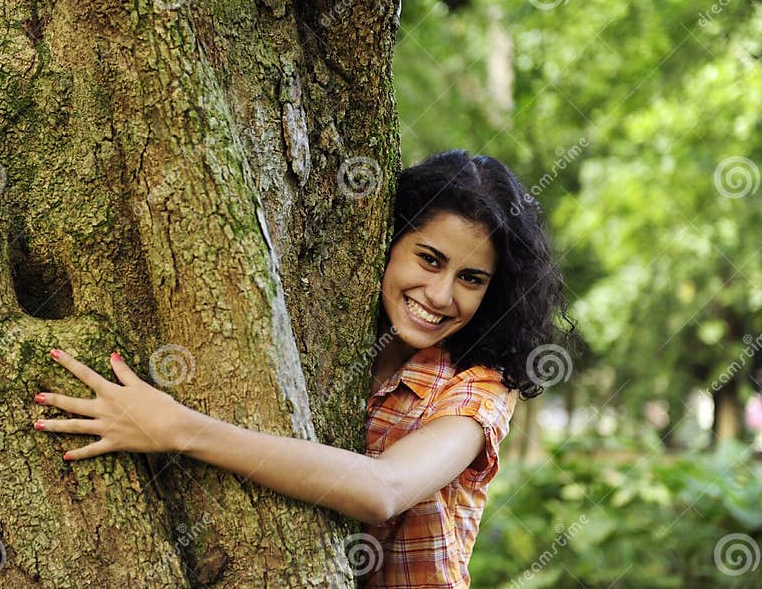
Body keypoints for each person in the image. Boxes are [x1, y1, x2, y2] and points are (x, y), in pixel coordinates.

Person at [31, 149, 573, 587]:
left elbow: (384, 489)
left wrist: (176, 428)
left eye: (470, 279)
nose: (440, 294)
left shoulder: (478, 388)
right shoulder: (319, 340)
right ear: (388, 243)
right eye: (428, 259)